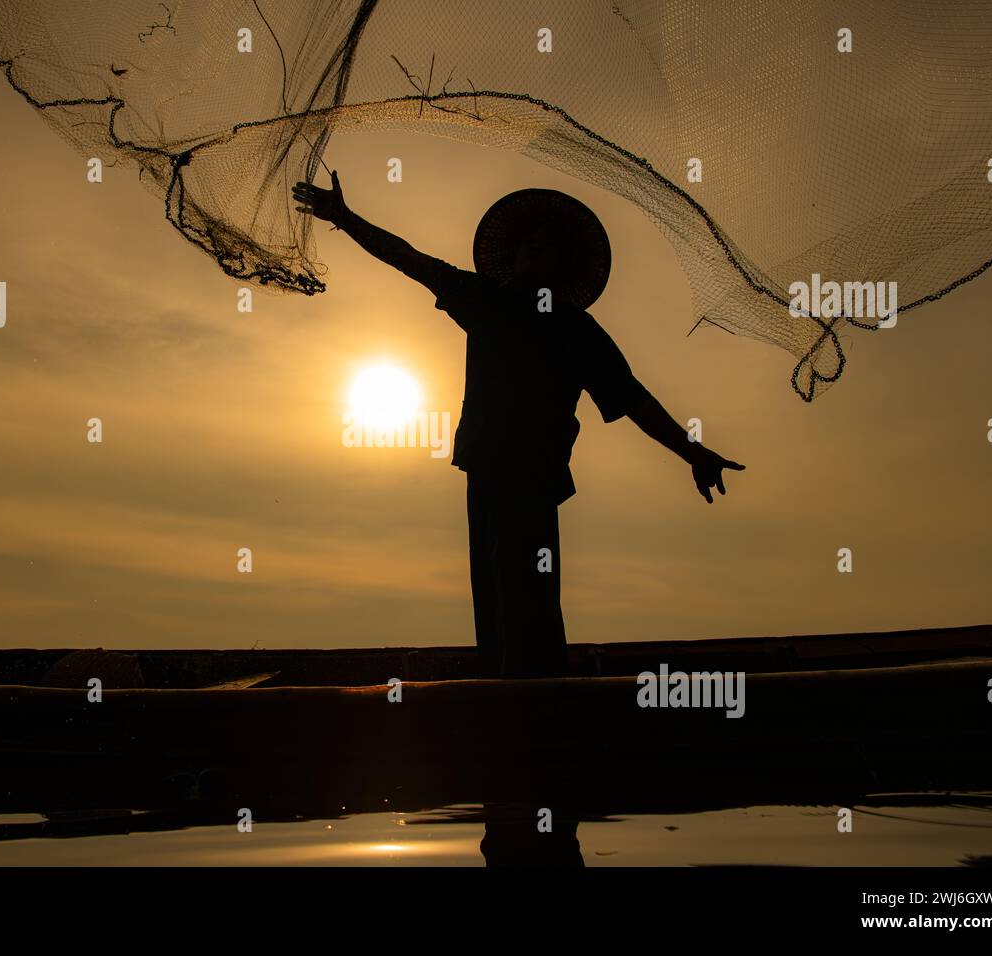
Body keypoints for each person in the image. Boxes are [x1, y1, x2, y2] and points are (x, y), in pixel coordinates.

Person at [293, 172, 744, 678]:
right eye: (528, 244)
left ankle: (533, 705)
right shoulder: (486, 300)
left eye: (544, 247)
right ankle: (513, 695)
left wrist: (693, 451)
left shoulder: (576, 330)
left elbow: (633, 398)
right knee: (496, 601)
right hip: (485, 472)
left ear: (560, 263)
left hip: (531, 477)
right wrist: (347, 219)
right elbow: (409, 259)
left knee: (526, 598)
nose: (533, 252)